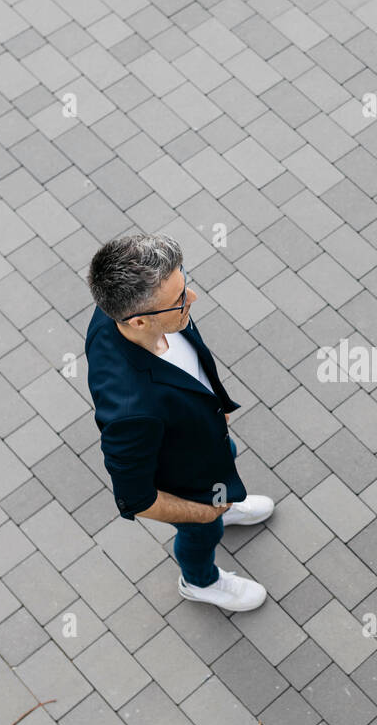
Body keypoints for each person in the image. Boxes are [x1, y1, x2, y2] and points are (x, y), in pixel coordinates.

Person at [84, 233, 274, 612]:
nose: (193, 298)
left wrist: (217, 404)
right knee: (203, 532)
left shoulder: (137, 310)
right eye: (180, 299)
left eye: (184, 282)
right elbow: (136, 499)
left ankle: (227, 501)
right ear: (138, 321)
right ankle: (200, 581)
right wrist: (203, 512)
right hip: (187, 484)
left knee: (227, 465)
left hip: (206, 446)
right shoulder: (129, 411)